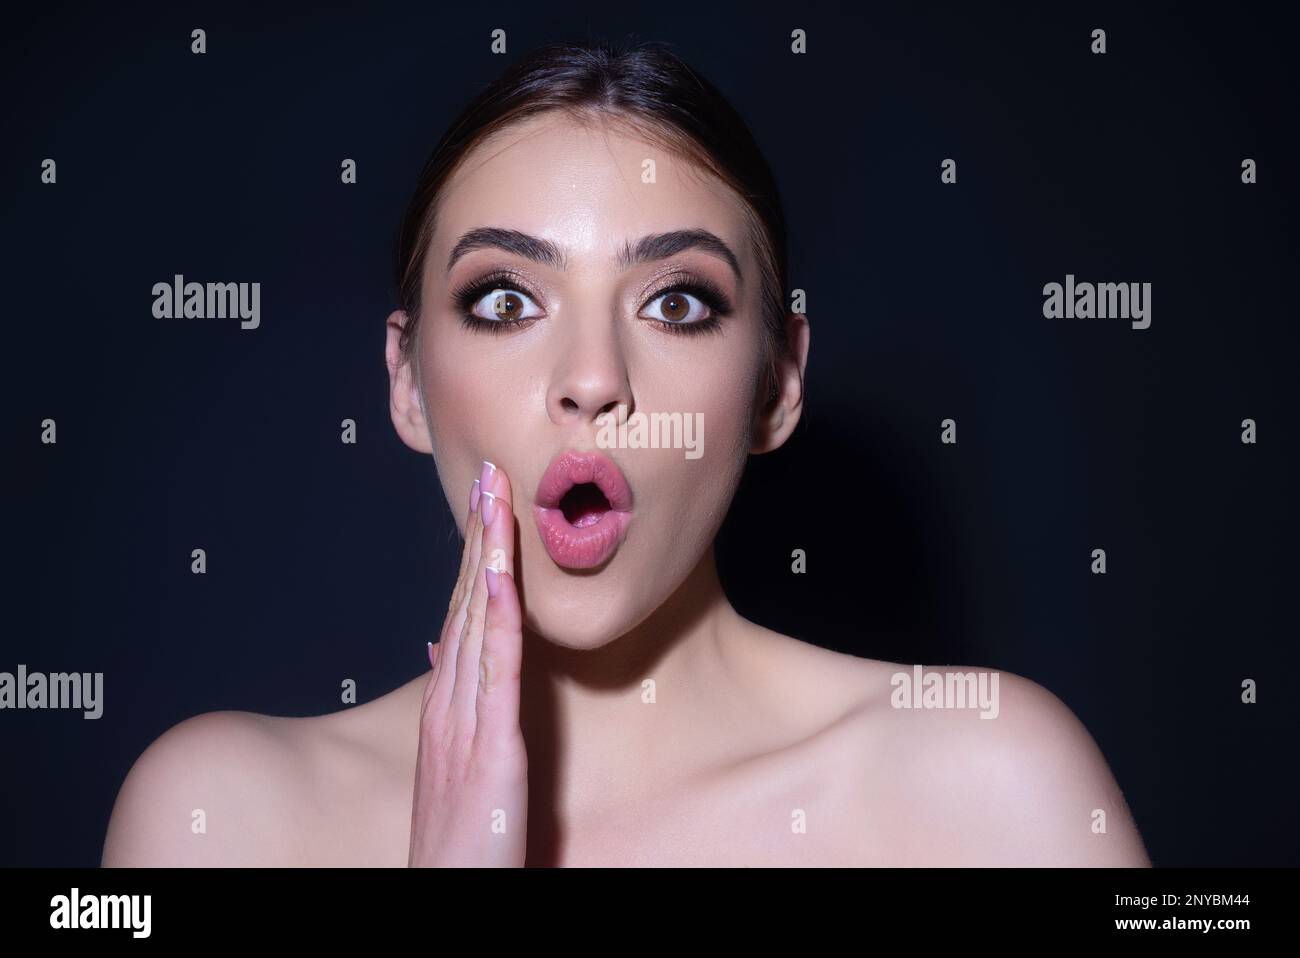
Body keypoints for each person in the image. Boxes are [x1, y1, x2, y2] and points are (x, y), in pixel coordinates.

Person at [102, 38, 1150, 867]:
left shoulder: (989, 780)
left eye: (676, 301)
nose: (593, 378)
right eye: (504, 300)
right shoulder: (218, 817)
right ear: (406, 381)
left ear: (777, 382)